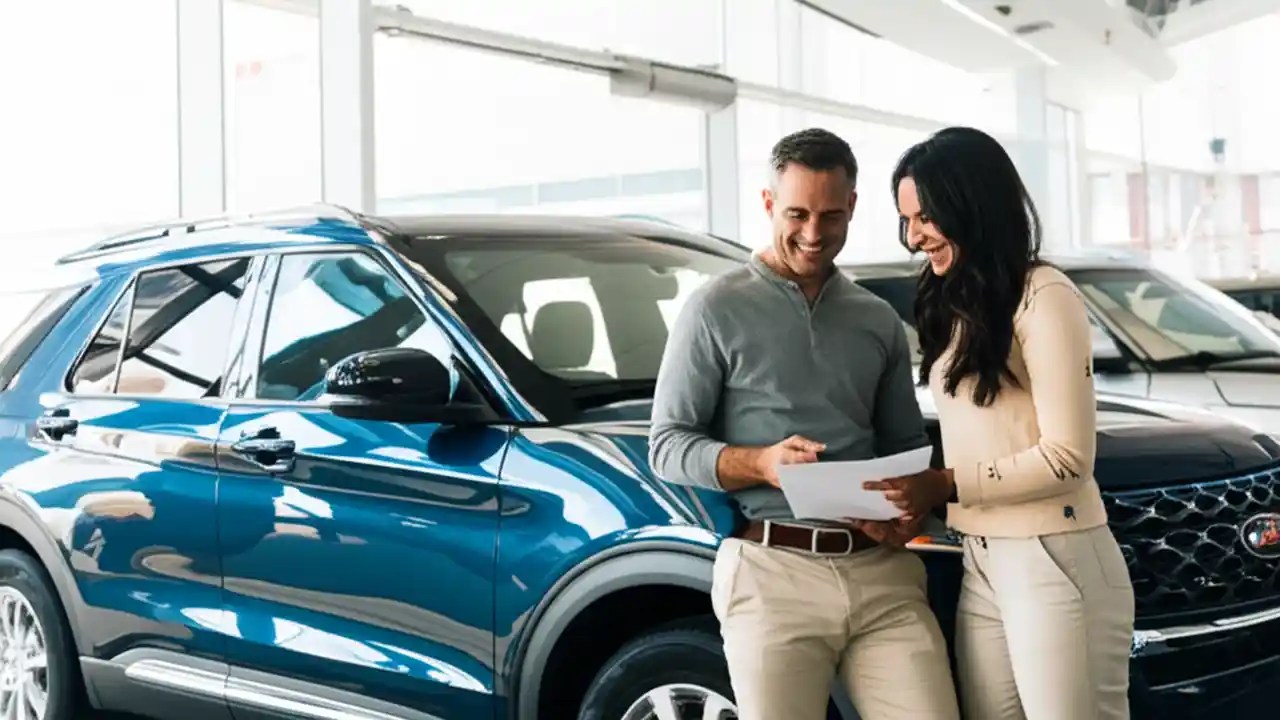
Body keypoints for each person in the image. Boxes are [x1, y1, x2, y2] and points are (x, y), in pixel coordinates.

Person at [649, 127, 960, 720]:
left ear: (853, 209)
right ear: (769, 204)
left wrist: (907, 511)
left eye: (831, 216)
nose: (814, 235)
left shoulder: (877, 320)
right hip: (772, 576)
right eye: (797, 214)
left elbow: (903, 446)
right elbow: (667, 447)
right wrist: (762, 462)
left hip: (883, 578)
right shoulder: (714, 308)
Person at [869, 126, 1136, 719]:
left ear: (971, 203)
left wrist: (945, 484)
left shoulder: (1044, 295)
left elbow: (1068, 457)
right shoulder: (957, 300)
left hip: (1054, 556)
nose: (914, 238)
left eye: (924, 218)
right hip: (982, 557)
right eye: (907, 221)